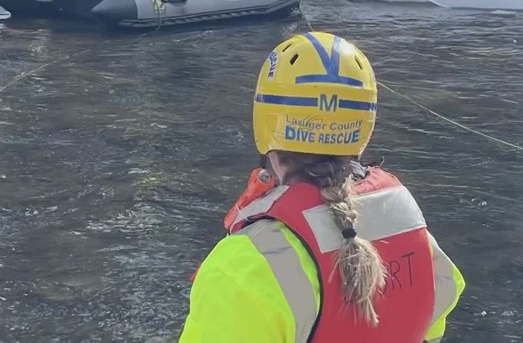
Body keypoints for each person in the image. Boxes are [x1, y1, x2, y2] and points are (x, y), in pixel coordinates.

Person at [179, 32, 466, 343]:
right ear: (363, 124)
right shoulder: (413, 228)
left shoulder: (244, 265)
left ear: (266, 120)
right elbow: (434, 320)